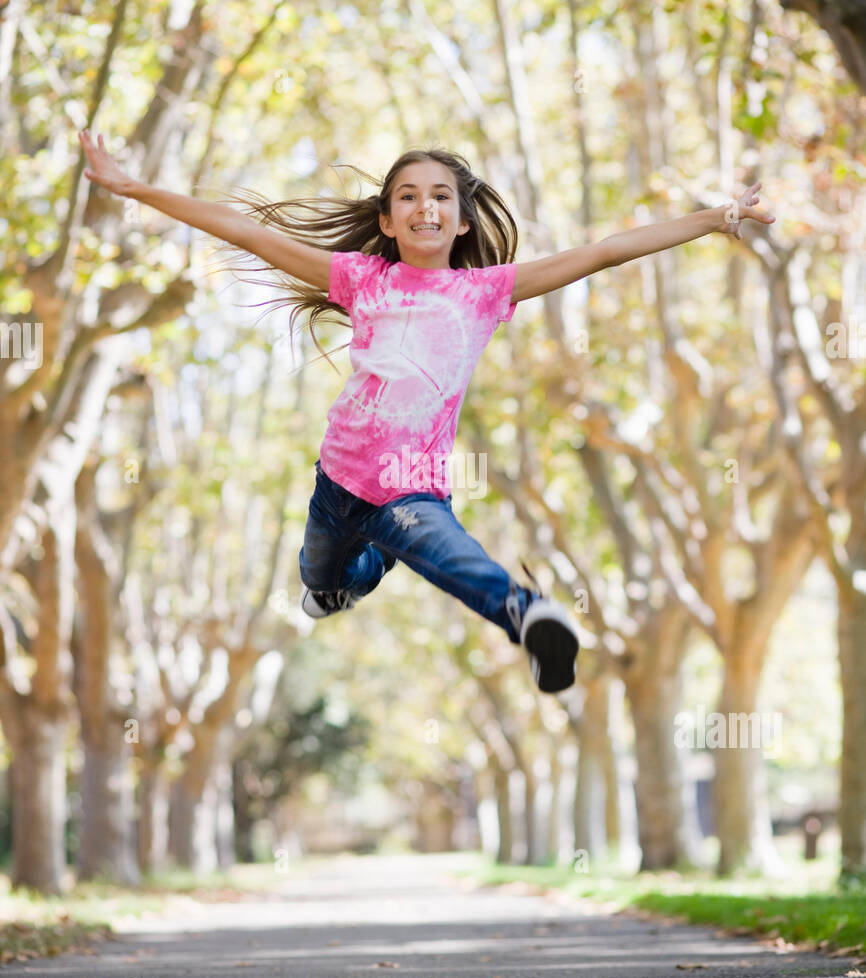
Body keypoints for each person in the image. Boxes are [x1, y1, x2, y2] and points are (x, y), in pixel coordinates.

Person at [78, 129, 774, 693]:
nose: (424, 207)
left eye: (440, 195)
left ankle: (532, 620)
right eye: (407, 197)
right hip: (336, 486)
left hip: (411, 490)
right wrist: (135, 187)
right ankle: (347, 583)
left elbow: (605, 251)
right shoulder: (361, 277)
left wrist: (719, 218)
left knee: (453, 557)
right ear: (386, 219)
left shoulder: (487, 292)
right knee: (322, 582)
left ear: (462, 219)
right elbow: (250, 235)